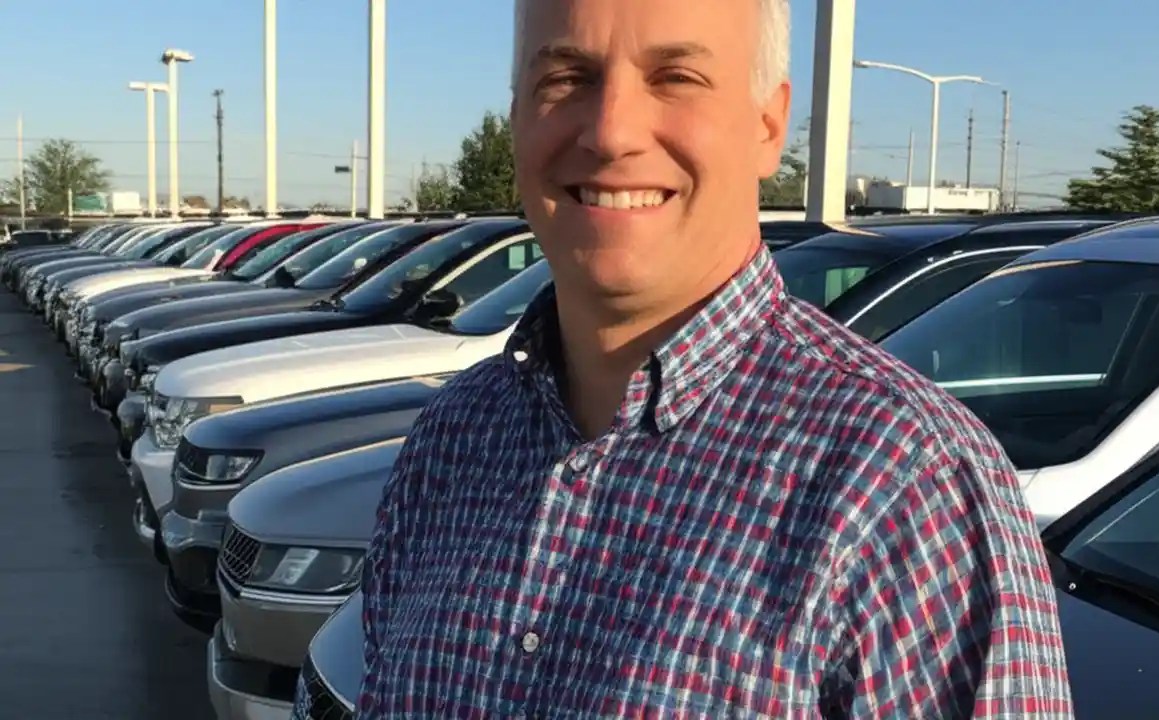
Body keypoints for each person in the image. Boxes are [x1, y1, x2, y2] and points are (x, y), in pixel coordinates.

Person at [345, 0, 1075, 717]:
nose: (611, 131)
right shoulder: (453, 441)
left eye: (675, 78)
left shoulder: (907, 484)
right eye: (567, 76)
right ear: (517, 117)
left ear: (767, 124)